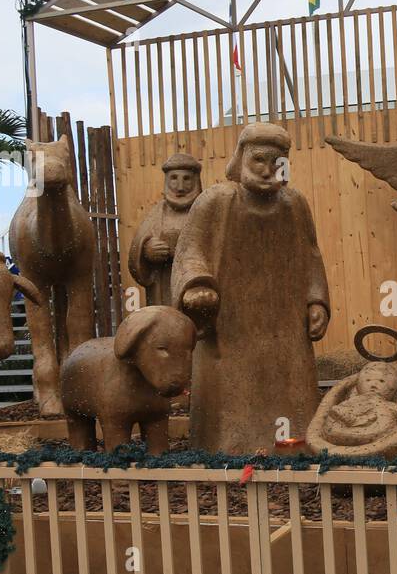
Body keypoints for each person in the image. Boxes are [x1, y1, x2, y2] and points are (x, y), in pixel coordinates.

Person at [171, 124, 330, 452]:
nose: (268, 169)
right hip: (230, 323)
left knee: (291, 385)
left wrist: (317, 301)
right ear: (240, 158)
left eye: (277, 161)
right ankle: (229, 449)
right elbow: (191, 251)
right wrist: (195, 288)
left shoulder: (295, 204)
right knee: (231, 390)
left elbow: (311, 256)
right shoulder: (217, 200)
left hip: (285, 324)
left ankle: (292, 445)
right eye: (259, 159)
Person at [128, 152, 203, 306]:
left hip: (197, 289)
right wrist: (146, 250)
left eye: (187, 179)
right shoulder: (157, 213)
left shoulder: (205, 210)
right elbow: (136, 249)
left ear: (196, 180)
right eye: (174, 178)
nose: (180, 187)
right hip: (163, 288)